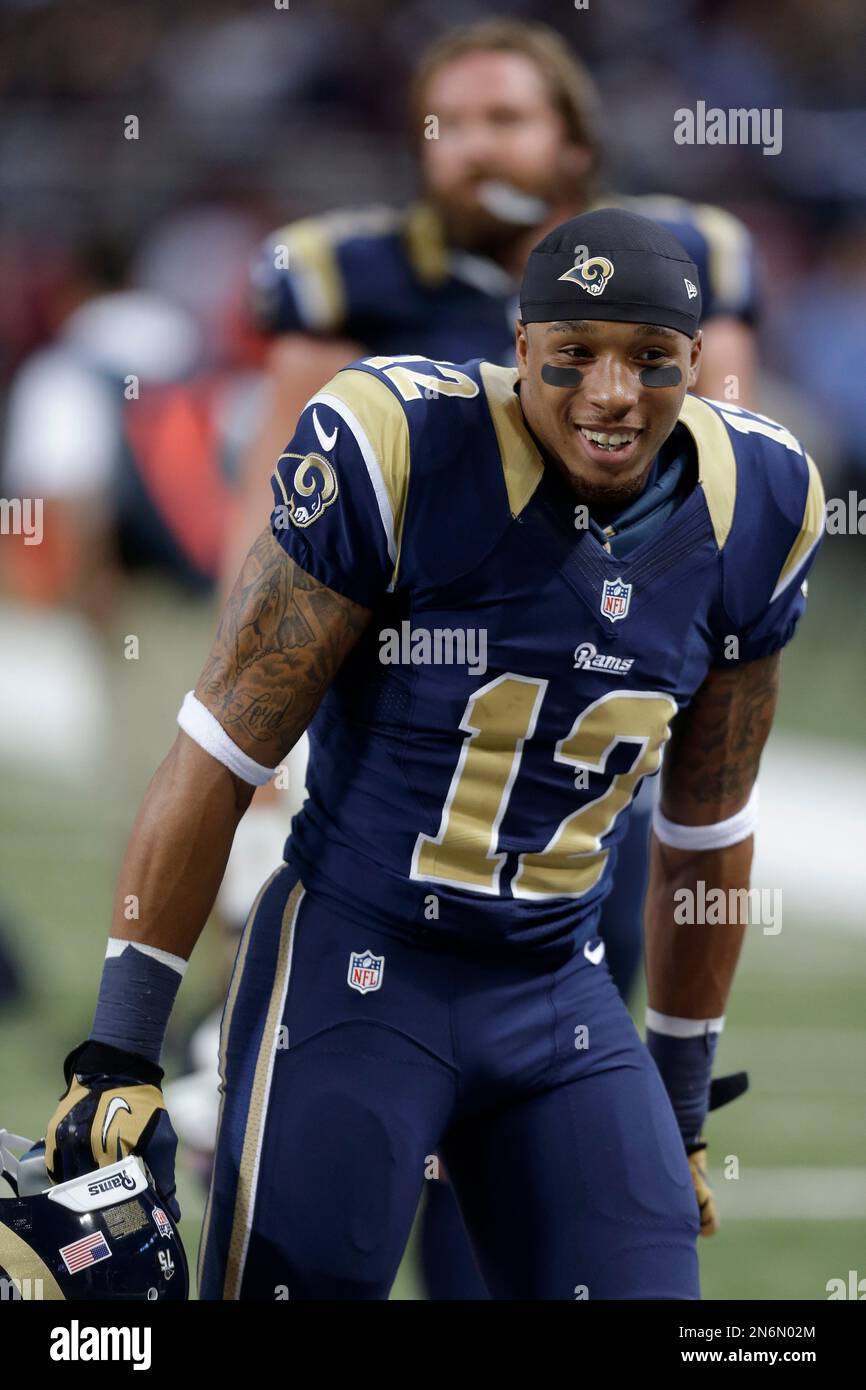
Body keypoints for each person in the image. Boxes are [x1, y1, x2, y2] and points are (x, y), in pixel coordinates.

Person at [44, 208, 823, 1300]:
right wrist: (120, 1050)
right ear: (518, 350)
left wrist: (681, 1100)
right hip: (357, 968)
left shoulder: (759, 499)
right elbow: (220, 747)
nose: (611, 392)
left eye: (649, 360)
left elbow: (707, 826)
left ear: (694, 362)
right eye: (573, 357)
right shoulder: (401, 440)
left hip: (557, 985)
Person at [207, 17, 761, 1296]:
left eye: (504, 121)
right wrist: (263, 726)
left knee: (544, 1081)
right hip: (401, 749)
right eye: (447, 126)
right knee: (333, 1139)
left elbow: (725, 481)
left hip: (578, 759)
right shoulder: (351, 276)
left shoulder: (682, 265)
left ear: (571, 140)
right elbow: (270, 525)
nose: (471, 153)